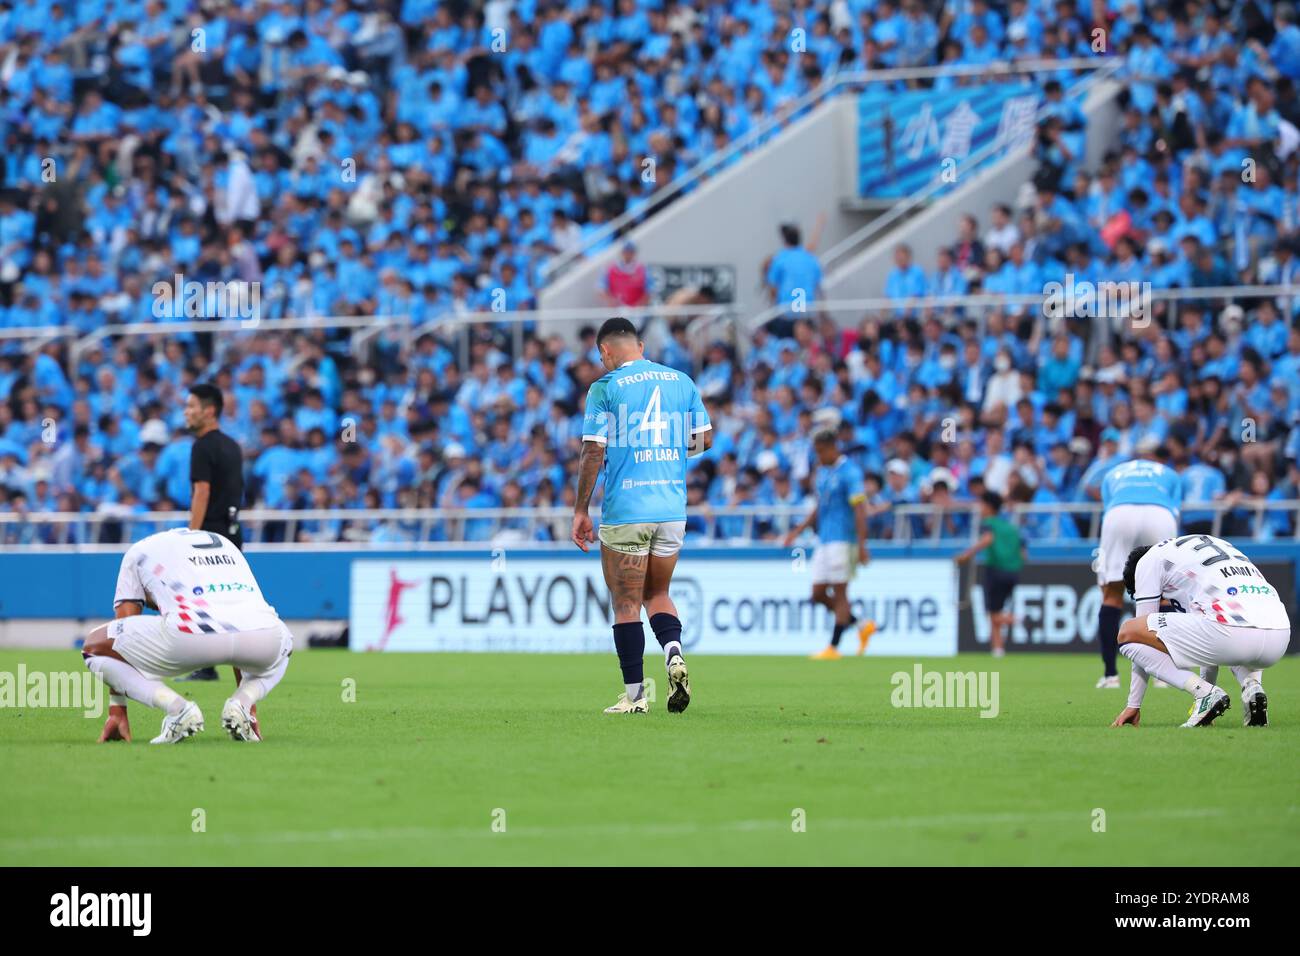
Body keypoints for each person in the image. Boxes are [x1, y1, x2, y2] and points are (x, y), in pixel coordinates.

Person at [572, 317, 712, 714]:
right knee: (659, 593)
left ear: (605, 351)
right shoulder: (681, 381)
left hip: (627, 510)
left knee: (626, 602)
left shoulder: (605, 387)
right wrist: (664, 449)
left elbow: (592, 452)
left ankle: (635, 696)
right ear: (641, 346)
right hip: (671, 508)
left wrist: (580, 509)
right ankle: (673, 653)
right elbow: (704, 439)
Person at [80, 528, 293, 744]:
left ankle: (176, 708)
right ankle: (243, 702)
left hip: (191, 635)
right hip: (265, 637)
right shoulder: (226, 544)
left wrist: (118, 711)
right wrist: (250, 711)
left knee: (93, 647)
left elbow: (121, 639)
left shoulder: (138, 553)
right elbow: (235, 621)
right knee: (286, 643)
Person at [1111, 535, 1291, 728]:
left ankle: (1205, 695)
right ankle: (1252, 687)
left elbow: (1140, 633)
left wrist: (1134, 704)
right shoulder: (1205, 549)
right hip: (1280, 634)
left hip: (1232, 634)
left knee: (1127, 632)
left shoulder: (1148, 562)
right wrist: (1208, 703)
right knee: (1230, 624)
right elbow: (1206, 645)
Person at [782, 431, 876, 660]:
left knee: (841, 593)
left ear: (832, 447)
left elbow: (859, 510)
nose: (818, 457)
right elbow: (819, 507)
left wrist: (862, 545)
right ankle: (862, 624)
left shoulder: (850, 473)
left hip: (844, 540)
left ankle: (833, 647)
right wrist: (798, 530)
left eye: (820, 452)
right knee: (817, 593)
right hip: (824, 539)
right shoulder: (822, 473)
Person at [1094, 448, 1182, 689]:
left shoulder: (1114, 472)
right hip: (1160, 514)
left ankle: (1110, 675)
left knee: (1111, 595)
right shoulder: (1170, 474)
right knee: (1164, 594)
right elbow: (1175, 511)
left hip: (1119, 514)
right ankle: (1164, 674)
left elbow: (1107, 507)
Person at [178, 383, 245, 682]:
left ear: (210, 411)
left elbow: (202, 491)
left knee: (202, 601)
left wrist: (192, 535)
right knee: (232, 601)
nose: (186, 412)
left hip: (209, 537)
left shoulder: (202, 446)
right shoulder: (232, 446)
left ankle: (205, 665)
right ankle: (246, 661)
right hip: (233, 534)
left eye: (192, 406)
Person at [955, 491, 1025, 657]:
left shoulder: (989, 523)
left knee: (994, 613)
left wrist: (967, 554)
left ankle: (1015, 619)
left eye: (981, 504)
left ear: (988, 506)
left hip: (996, 570)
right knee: (996, 609)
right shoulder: (1011, 527)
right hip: (1013, 571)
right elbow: (1023, 553)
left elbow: (987, 540)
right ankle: (997, 649)